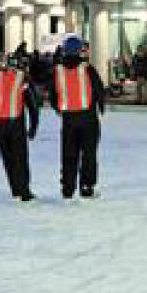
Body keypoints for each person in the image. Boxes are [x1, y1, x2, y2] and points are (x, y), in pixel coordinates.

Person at [49, 36, 105, 199]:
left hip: (68, 119)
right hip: (88, 117)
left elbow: (52, 95)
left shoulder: (57, 71)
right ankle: (86, 187)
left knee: (69, 153)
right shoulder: (87, 69)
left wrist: (59, 109)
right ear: (80, 50)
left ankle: (67, 188)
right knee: (88, 153)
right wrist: (100, 106)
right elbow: (99, 89)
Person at [0, 55, 34, 201]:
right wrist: (33, 125)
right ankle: (24, 191)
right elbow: (32, 104)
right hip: (16, 121)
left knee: (7, 158)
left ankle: (15, 189)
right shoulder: (21, 79)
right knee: (20, 157)